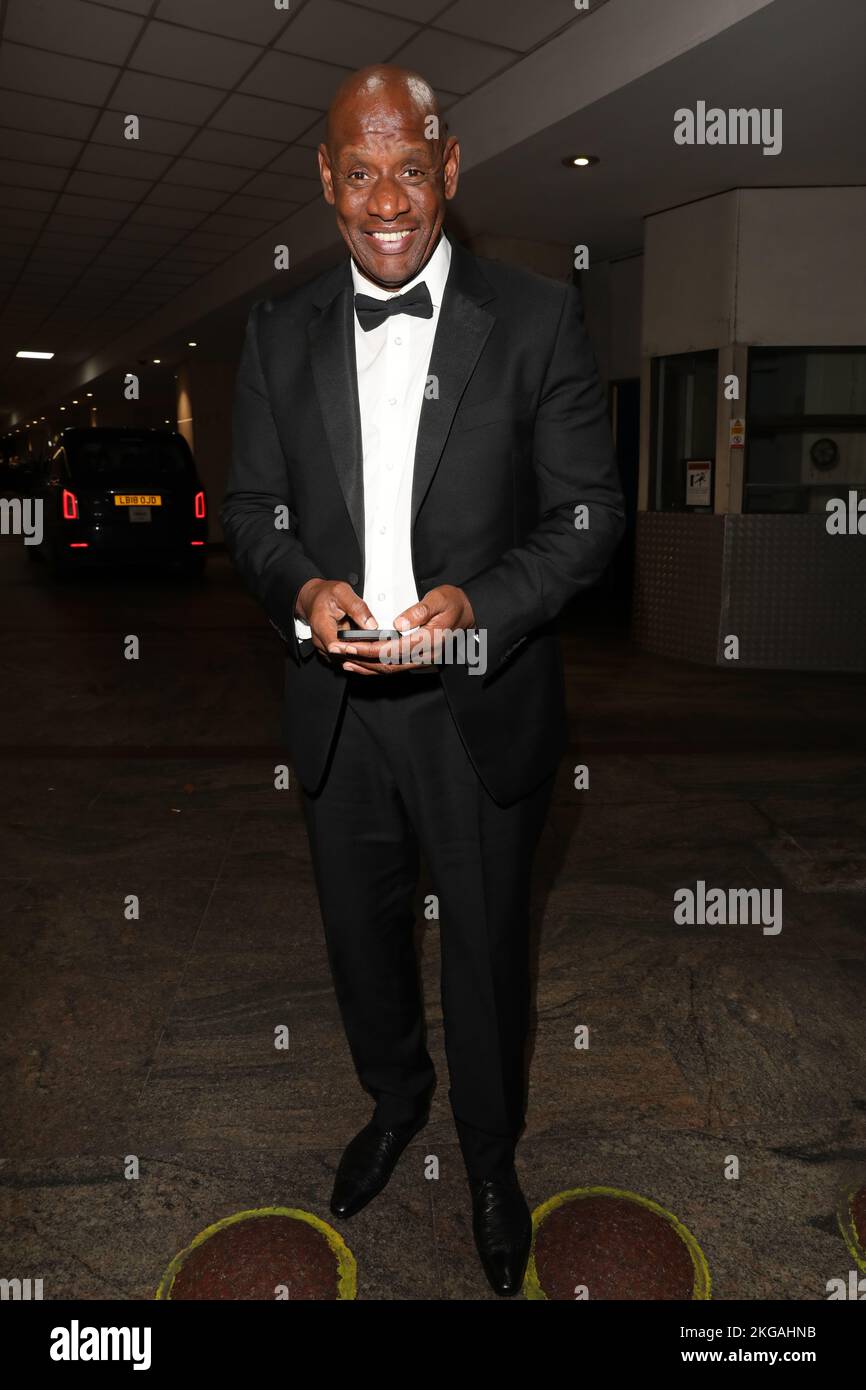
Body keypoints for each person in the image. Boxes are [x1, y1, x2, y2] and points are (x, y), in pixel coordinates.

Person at [220, 64, 625, 1297]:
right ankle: (395, 1103)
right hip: (339, 709)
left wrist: (476, 607)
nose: (384, 197)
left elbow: (587, 516)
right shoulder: (276, 329)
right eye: (358, 170)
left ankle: (491, 1161)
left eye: (410, 167)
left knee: (488, 952)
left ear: (448, 170)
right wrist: (301, 588)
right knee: (362, 942)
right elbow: (249, 509)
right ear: (326, 181)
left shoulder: (540, 317)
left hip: (477, 704)